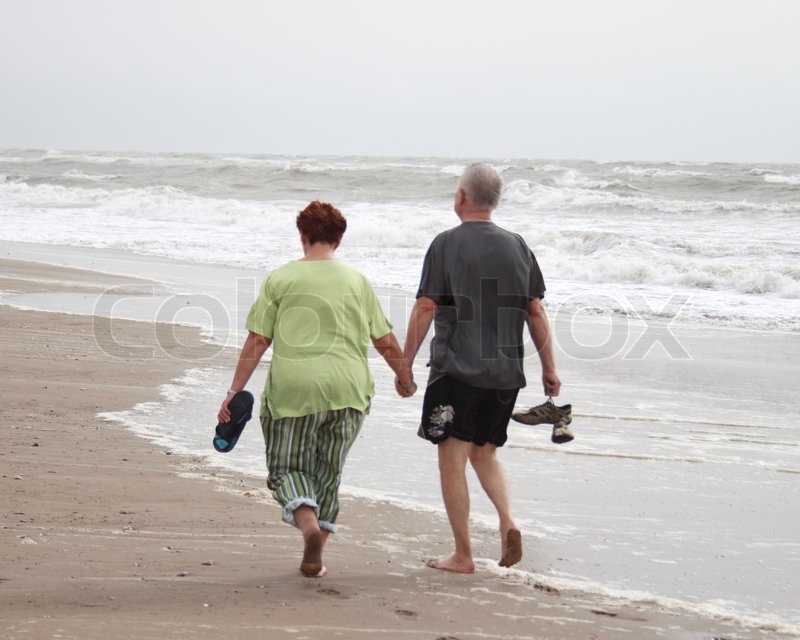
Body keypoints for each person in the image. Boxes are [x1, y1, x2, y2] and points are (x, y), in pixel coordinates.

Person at [218, 200, 416, 578]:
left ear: (303, 236)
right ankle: (316, 556)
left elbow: (258, 340)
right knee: (328, 473)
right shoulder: (357, 281)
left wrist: (233, 391)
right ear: (339, 240)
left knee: (288, 468)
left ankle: (308, 527)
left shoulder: (281, 279)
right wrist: (405, 378)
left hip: (295, 390)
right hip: (349, 390)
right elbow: (385, 341)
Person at [399, 163, 561, 574]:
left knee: (452, 459)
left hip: (457, 371)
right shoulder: (519, 245)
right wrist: (549, 368)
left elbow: (426, 305)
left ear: (461, 197)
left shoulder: (445, 244)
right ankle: (508, 521)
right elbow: (535, 311)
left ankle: (463, 555)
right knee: (485, 454)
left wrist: (405, 364)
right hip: (506, 373)